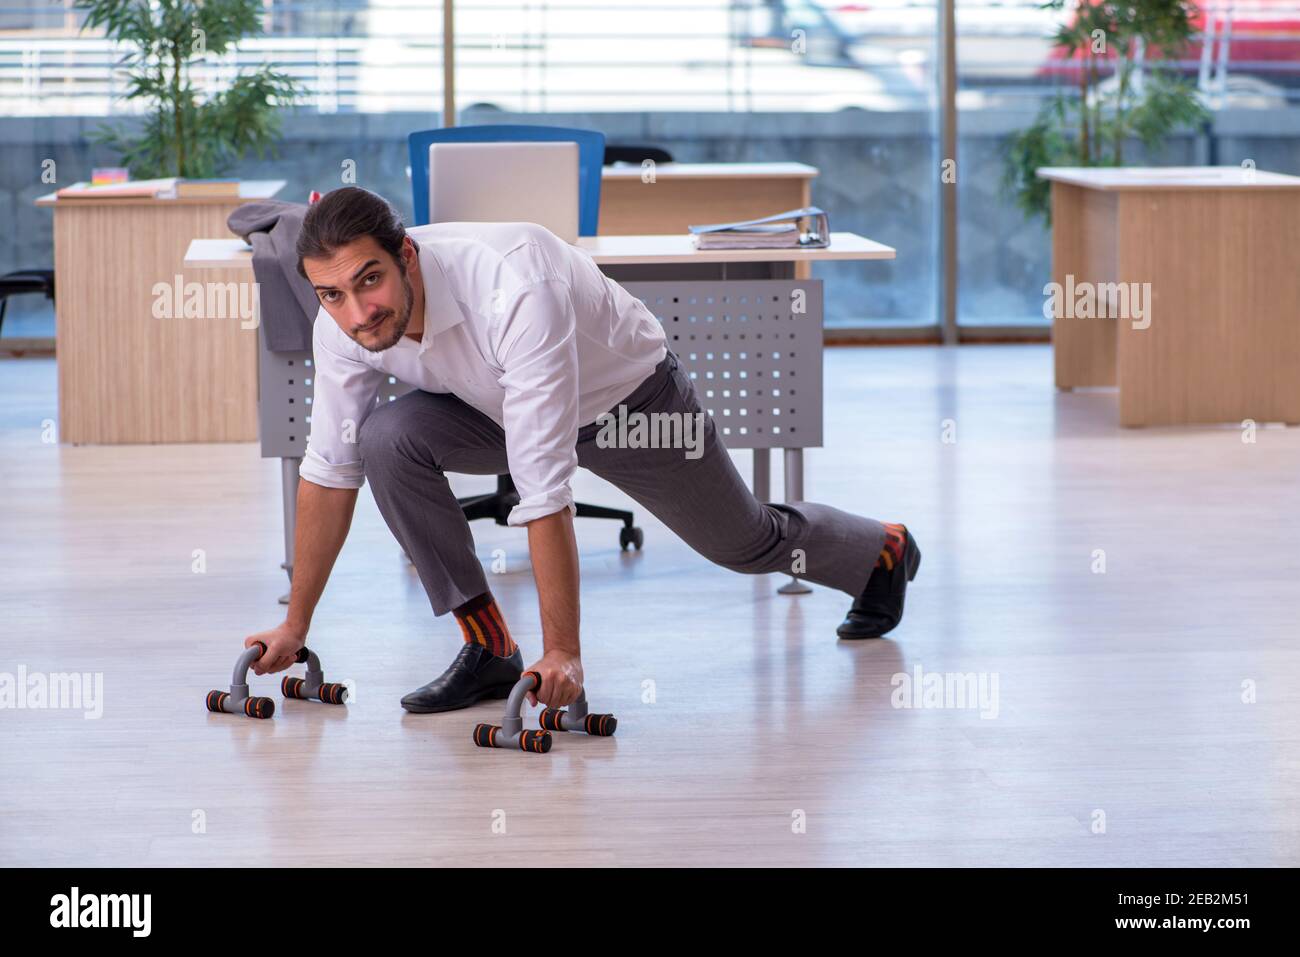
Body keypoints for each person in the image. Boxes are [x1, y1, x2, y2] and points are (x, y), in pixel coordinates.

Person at [244, 187, 921, 712]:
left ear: (407, 256)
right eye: (332, 294)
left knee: (743, 542)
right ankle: (489, 648)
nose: (358, 312)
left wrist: (565, 652)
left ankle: (879, 549)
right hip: (492, 405)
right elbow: (331, 470)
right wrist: (294, 622)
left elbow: (542, 489)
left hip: (631, 401)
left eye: (370, 281)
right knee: (387, 438)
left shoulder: (514, 287)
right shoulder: (342, 326)